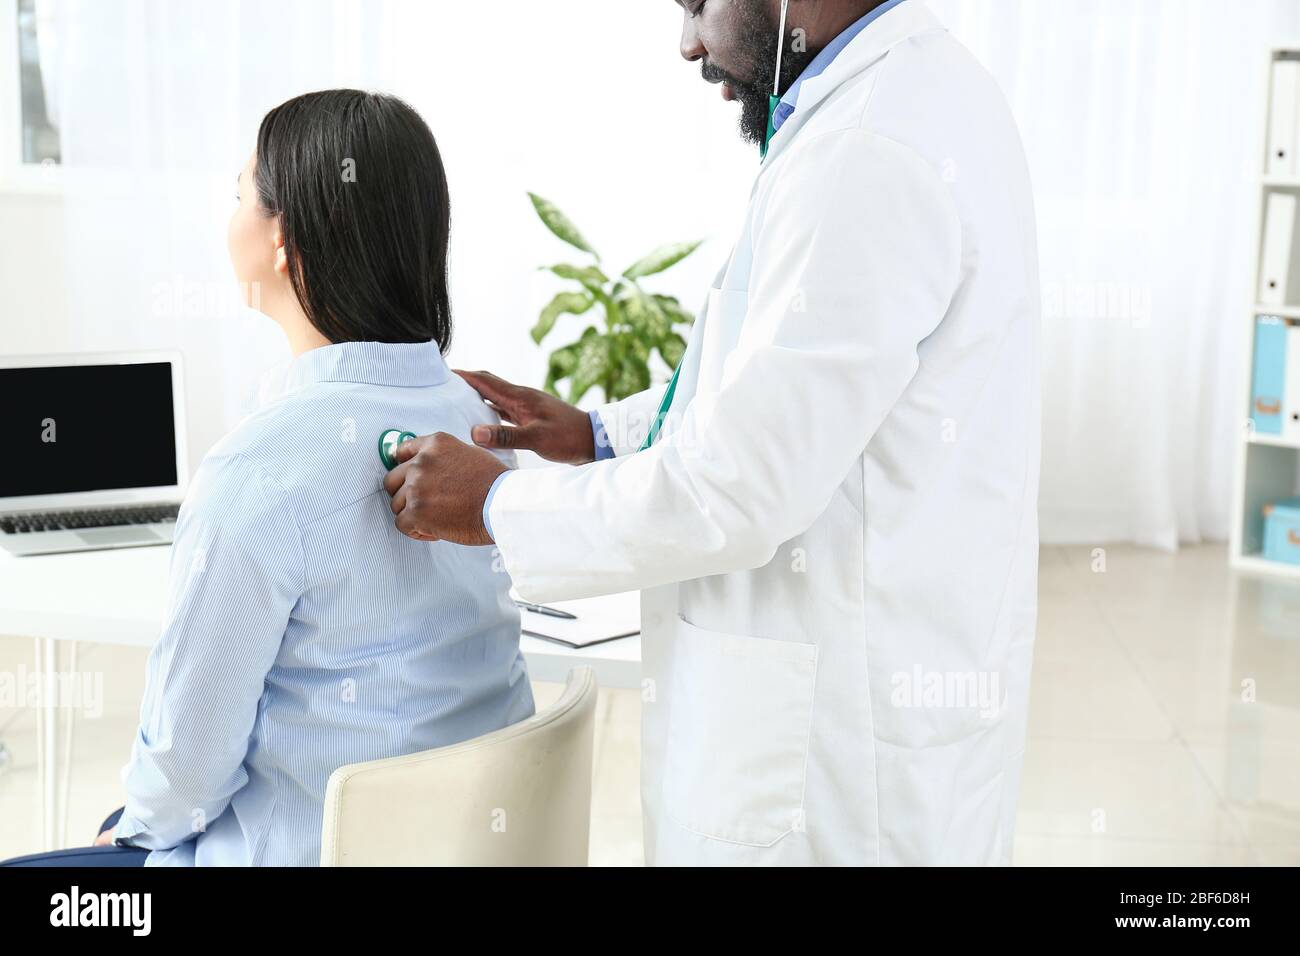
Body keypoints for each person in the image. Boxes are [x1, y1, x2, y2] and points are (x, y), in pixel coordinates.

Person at [383, 0, 1041, 865]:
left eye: (698, 3)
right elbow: (778, 381)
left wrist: (502, 506)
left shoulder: (866, 154)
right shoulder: (908, 97)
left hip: (833, 766)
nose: (687, 42)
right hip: (879, 689)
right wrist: (599, 434)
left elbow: (741, 483)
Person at [2, 90, 533, 867]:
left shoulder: (260, 469)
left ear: (283, 239)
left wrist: (139, 831)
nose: (231, 215)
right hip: (454, 840)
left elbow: (186, 771)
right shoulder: (478, 420)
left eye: (240, 195)